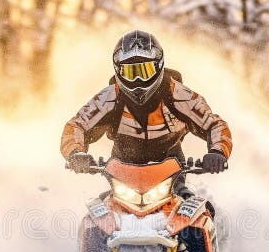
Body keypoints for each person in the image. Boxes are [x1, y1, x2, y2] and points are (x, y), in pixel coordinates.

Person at [60, 30, 232, 198]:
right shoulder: (109, 98)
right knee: (96, 215)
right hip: (121, 175)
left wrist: (217, 152)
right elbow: (77, 125)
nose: (137, 82)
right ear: (118, 71)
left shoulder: (180, 95)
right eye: (130, 72)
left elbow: (215, 124)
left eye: (144, 71)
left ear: (158, 65)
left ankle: (210, 226)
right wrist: (76, 153)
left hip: (171, 174)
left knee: (195, 210)